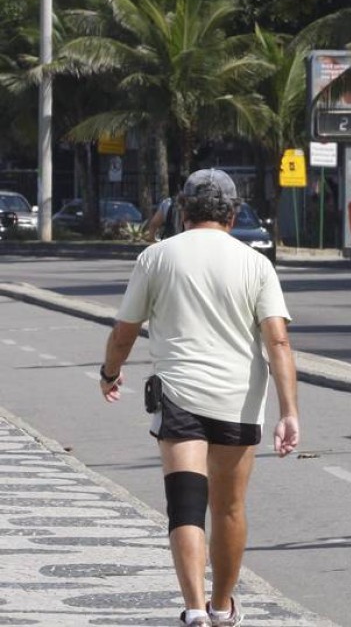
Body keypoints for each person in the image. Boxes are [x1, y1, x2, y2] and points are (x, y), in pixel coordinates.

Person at [98, 168, 300, 627]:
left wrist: (110, 373)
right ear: (232, 213)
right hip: (238, 401)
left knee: (185, 503)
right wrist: (289, 412)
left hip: (180, 400)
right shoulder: (256, 264)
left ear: (182, 211)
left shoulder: (157, 258)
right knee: (229, 507)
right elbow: (279, 344)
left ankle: (193, 610)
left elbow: (124, 333)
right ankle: (224, 608)